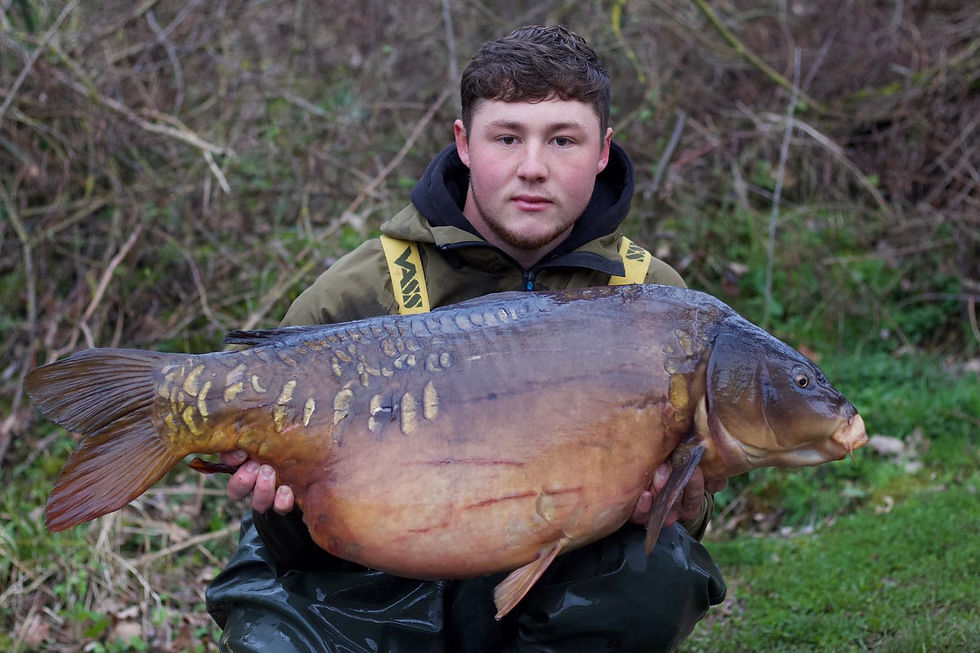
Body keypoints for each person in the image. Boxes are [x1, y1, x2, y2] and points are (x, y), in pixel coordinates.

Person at [206, 25, 727, 652]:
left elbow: (686, 513)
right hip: (371, 573)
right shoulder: (361, 290)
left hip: (554, 566)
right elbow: (293, 548)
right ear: (465, 144)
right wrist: (275, 506)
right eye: (507, 138)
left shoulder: (653, 301)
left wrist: (686, 504)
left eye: (563, 140)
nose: (532, 168)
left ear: (602, 152)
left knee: (658, 577)